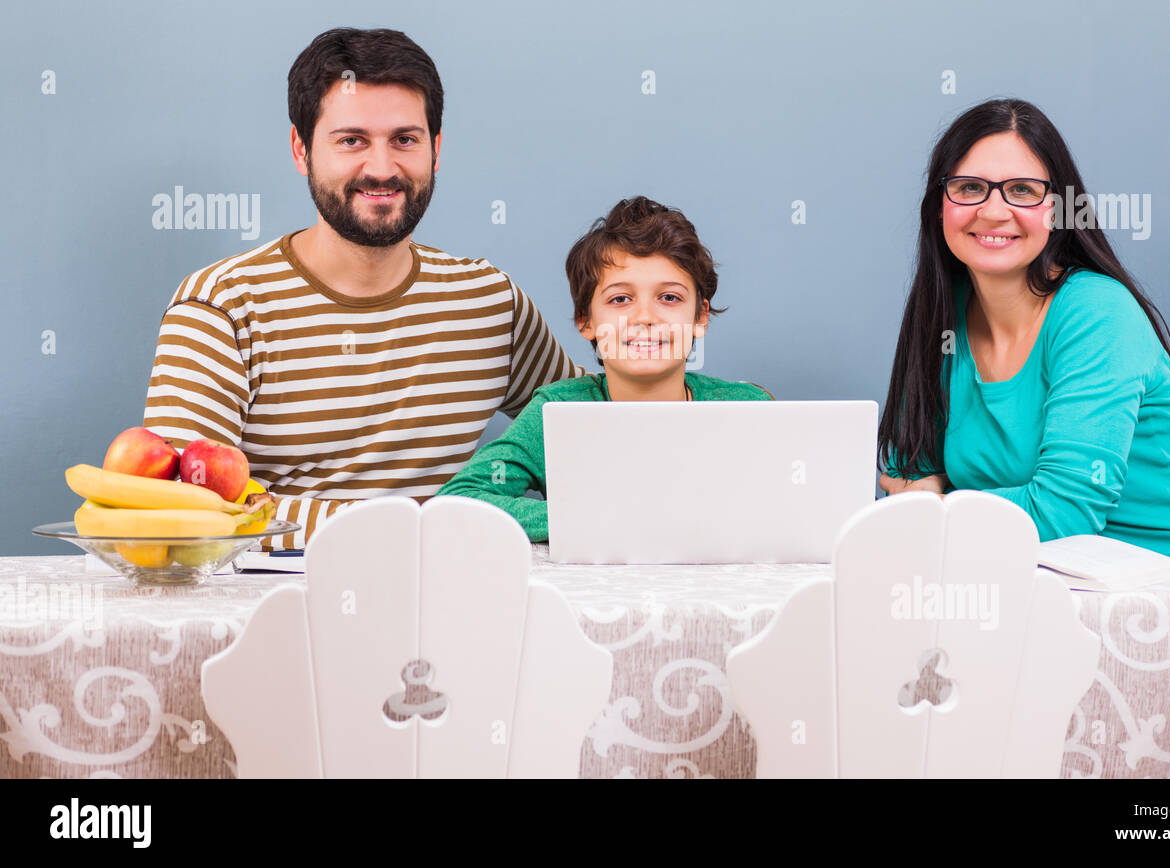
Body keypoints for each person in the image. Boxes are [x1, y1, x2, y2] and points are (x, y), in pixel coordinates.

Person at [876, 97, 1170, 778]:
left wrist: (943, 503)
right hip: (1058, 631)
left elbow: (1069, 509)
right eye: (968, 188)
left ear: (1059, 209)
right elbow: (900, 482)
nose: (993, 210)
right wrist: (934, 503)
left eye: (1022, 190)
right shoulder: (940, 320)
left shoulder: (1095, 311)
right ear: (939, 206)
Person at [141, 28, 583, 549]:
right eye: (352, 140)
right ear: (301, 150)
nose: (381, 168)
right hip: (277, 607)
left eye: (405, 139)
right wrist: (418, 525)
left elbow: (587, 441)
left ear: (435, 151)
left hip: (456, 599)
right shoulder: (221, 307)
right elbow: (182, 502)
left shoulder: (490, 303)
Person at [437, 196, 772, 540]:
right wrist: (590, 518)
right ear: (586, 320)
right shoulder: (556, 413)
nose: (644, 318)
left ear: (700, 316)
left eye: (669, 298)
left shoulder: (745, 408)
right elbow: (460, 501)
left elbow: (799, 503)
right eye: (620, 299)